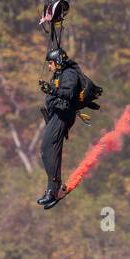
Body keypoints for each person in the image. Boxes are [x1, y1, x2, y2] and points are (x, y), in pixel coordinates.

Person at [37, 47, 80, 207]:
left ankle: (53, 190)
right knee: (46, 151)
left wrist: (52, 90)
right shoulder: (59, 74)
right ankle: (52, 189)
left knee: (48, 150)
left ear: (58, 62)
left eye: (50, 63)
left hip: (62, 116)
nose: (49, 67)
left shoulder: (69, 74)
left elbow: (68, 93)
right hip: (56, 116)